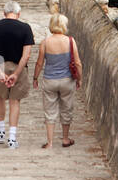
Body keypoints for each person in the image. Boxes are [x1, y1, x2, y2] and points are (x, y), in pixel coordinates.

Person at [0, 0, 34, 149]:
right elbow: (26, 56)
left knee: (0, 97)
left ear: (4, 13)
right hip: (18, 66)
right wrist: (17, 74)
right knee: (15, 100)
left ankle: (1, 130)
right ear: (18, 14)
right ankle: (12, 137)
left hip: (0, 64)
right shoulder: (25, 28)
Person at [33, 13, 83, 149]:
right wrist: (79, 78)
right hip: (67, 80)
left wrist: (35, 77)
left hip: (50, 80)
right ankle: (65, 138)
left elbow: (39, 63)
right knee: (67, 109)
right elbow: (77, 63)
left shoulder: (45, 42)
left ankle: (49, 142)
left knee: (49, 111)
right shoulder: (70, 41)